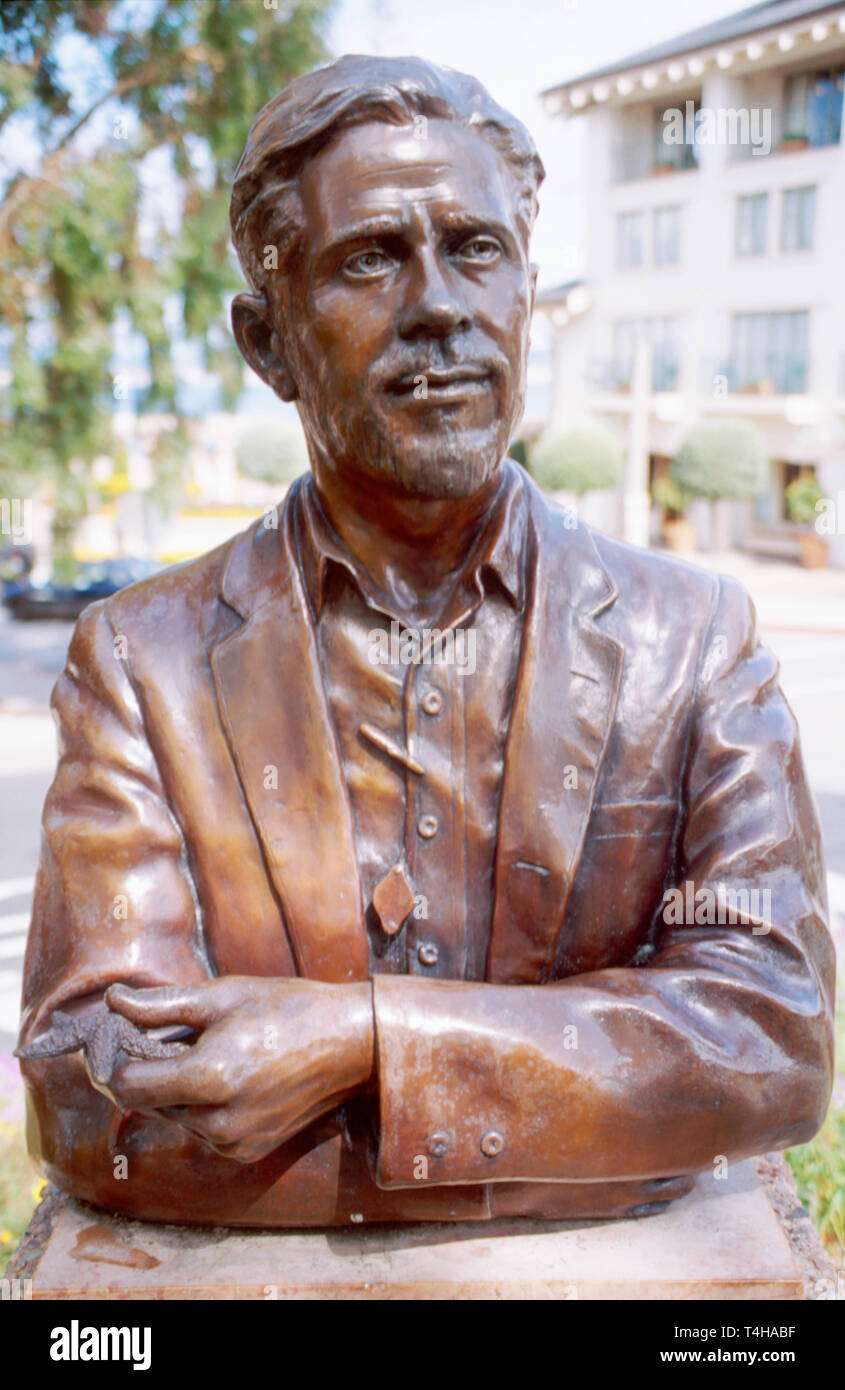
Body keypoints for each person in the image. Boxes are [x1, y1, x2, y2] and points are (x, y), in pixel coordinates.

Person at [17, 56, 834, 1227]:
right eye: (369, 259)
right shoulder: (141, 663)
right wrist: (611, 1131)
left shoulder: (691, 638)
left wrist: (364, 1045)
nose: (439, 304)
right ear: (269, 341)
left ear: (525, 293)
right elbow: (92, 1097)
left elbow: (770, 1041)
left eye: (476, 249)